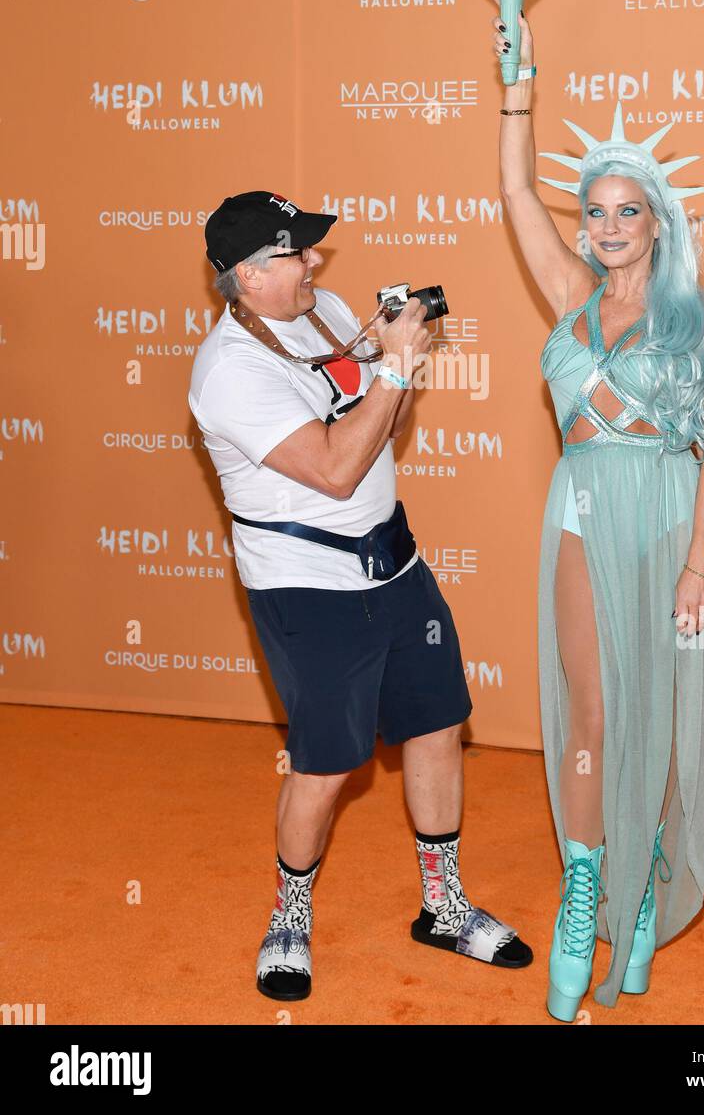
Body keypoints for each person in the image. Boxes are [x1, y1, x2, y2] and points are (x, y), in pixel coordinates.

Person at [188, 190, 532, 1002]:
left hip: (396, 563)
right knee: (326, 764)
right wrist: (396, 364)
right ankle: (290, 917)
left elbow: (384, 427)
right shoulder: (227, 373)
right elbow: (337, 469)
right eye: (295, 254)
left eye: (310, 249)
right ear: (248, 273)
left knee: (438, 725)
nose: (314, 264)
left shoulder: (326, 310)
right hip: (309, 589)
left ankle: (442, 908)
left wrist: (385, 365)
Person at [489, 0, 704, 1017]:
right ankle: (585, 886)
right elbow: (512, 190)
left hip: (670, 513)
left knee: (662, 718)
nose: (608, 226)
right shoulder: (566, 297)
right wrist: (518, 87)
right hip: (583, 507)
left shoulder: (690, 318)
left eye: (629, 210)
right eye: (596, 209)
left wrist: (700, 563)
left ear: (656, 222)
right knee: (590, 709)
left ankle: (643, 896)